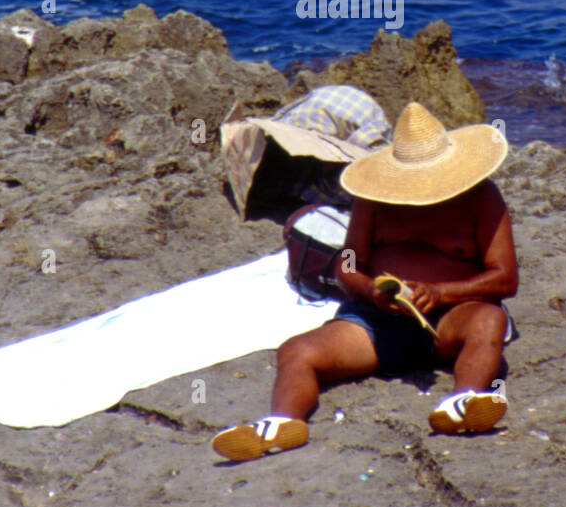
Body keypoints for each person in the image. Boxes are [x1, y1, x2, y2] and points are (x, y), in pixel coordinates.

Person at [212, 102, 518, 462]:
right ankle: (282, 423)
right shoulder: (375, 198)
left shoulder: (481, 197)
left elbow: (505, 278)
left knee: (489, 321)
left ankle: (462, 402)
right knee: (297, 350)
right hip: (377, 322)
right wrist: (372, 292)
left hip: (451, 318)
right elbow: (349, 262)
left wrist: (441, 292)